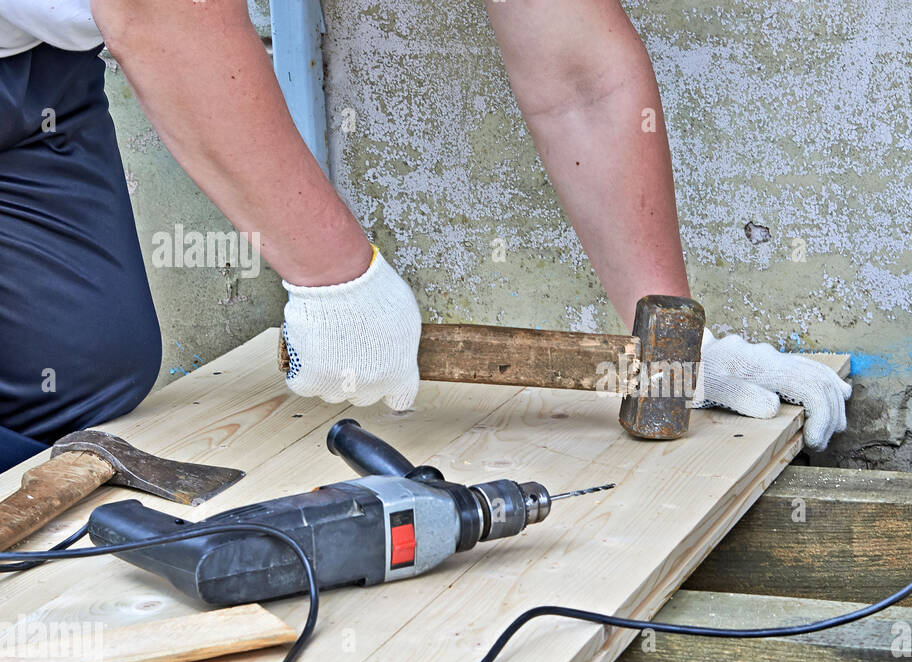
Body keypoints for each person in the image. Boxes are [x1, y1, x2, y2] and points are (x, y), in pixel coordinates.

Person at [0, 0, 850, 473]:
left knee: (82, 373)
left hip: (33, 72)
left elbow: (580, 72)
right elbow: (160, 12)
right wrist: (337, 280)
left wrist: (666, 334)